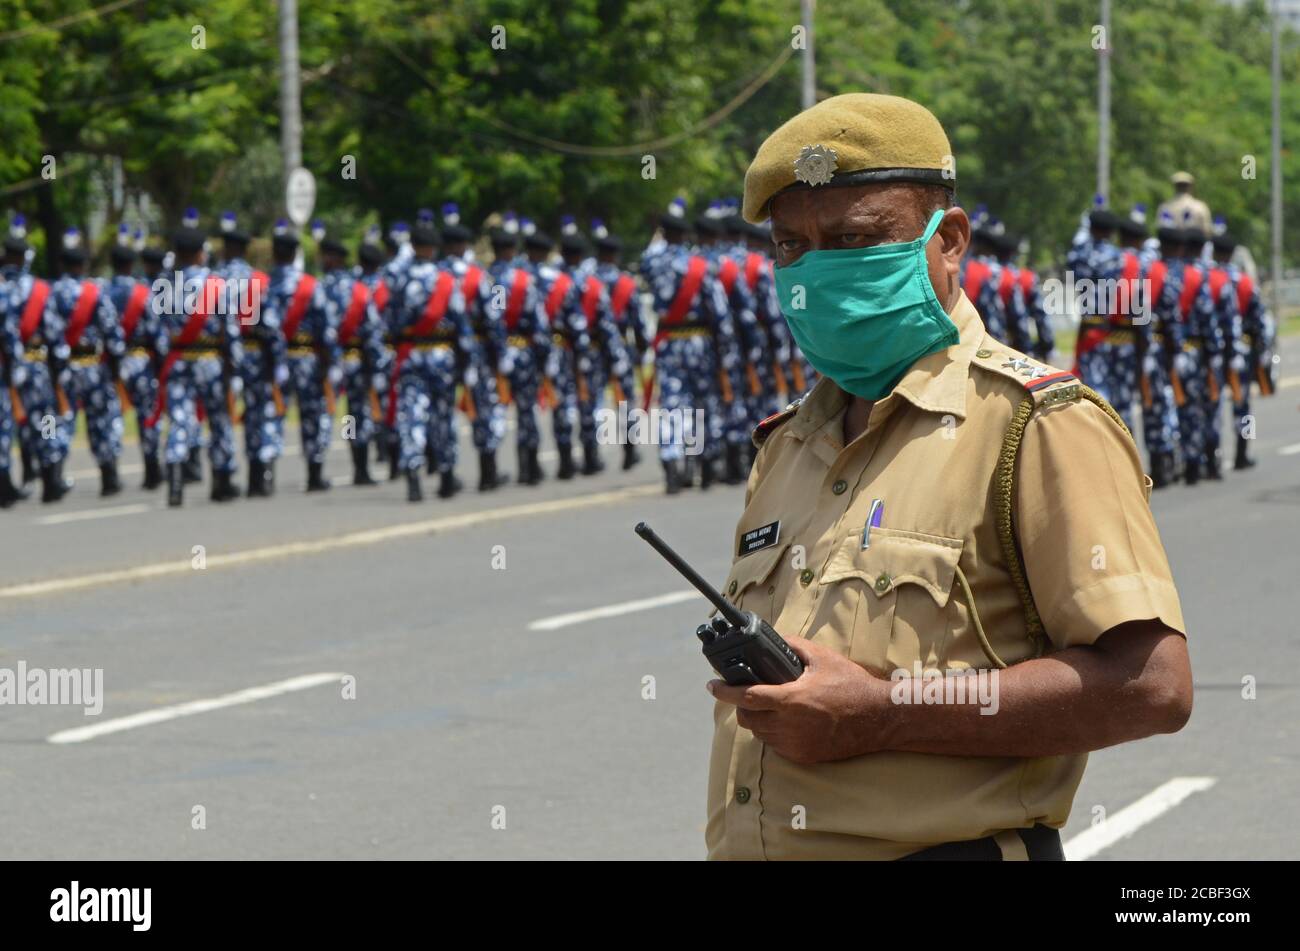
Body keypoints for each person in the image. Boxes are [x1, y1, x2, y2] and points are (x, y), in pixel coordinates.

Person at [705, 92, 1191, 861]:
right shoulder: (788, 441)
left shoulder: (1037, 424)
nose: (817, 270)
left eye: (853, 238)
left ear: (950, 239)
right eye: (792, 247)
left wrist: (887, 710)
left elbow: (1150, 686)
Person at [153, 221, 242, 506]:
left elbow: (156, 331)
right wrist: (234, 364)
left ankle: (176, 485)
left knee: (178, 420)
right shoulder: (217, 284)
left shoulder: (164, 285)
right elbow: (230, 329)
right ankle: (221, 482)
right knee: (219, 421)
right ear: (201, 253)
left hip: (178, 361)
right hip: (211, 362)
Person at [392, 223, 477, 501]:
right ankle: (446, 477)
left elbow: (387, 323)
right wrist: (468, 364)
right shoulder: (446, 281)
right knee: (443, 417)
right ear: (432, 249)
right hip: (442, 357)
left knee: (412, 417)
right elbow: (461, 325)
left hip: (410, 355)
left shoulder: (398, 279)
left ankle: (414, 478)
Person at [48, 227, 126, 497]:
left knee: (58, 421)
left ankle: (53, 478)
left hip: (61, 368)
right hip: (93, 367)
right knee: (101, 422)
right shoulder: (95, 292)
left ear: (62, 265)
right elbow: (113, 336)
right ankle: (109, 477)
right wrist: (115, 373)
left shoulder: (51, 292)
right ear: (82, 265)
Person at [267, 221, 340, 491]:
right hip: (307, 358)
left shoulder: (262, 285)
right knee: (312, 415)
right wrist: (329, 362)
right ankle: (314, 474)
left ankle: (266, 475)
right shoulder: (311, 286)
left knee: (272, 415)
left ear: (274, 254)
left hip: (273, 360)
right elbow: (326, 330)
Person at [486, 215, 552, 485]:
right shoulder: (525, 280)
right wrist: (544, 356)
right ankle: (529, 469)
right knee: (527, 410)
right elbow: (540, 324)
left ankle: (488, 471)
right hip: (524, 352)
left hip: (494, 355)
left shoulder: (486, 278)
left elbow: (489, 319)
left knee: (494, 411)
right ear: (512, 250)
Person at [106, 226, 164, 489]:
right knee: (147, 416)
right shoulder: (144, 293)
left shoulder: (100, 292)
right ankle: (152, 471)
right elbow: (156, 333)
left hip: (108, 363)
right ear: (132, 265)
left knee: (107, 417)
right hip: (141, 361)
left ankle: (110, 476)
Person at [1156, 171, 1212, 237]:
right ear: (1191, 186)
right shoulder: (1200, 207)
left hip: (1172, 245)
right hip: (1194, 245)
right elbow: (1207, 231)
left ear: (1175, 186)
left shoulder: (1165, 207)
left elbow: (1160, 230)